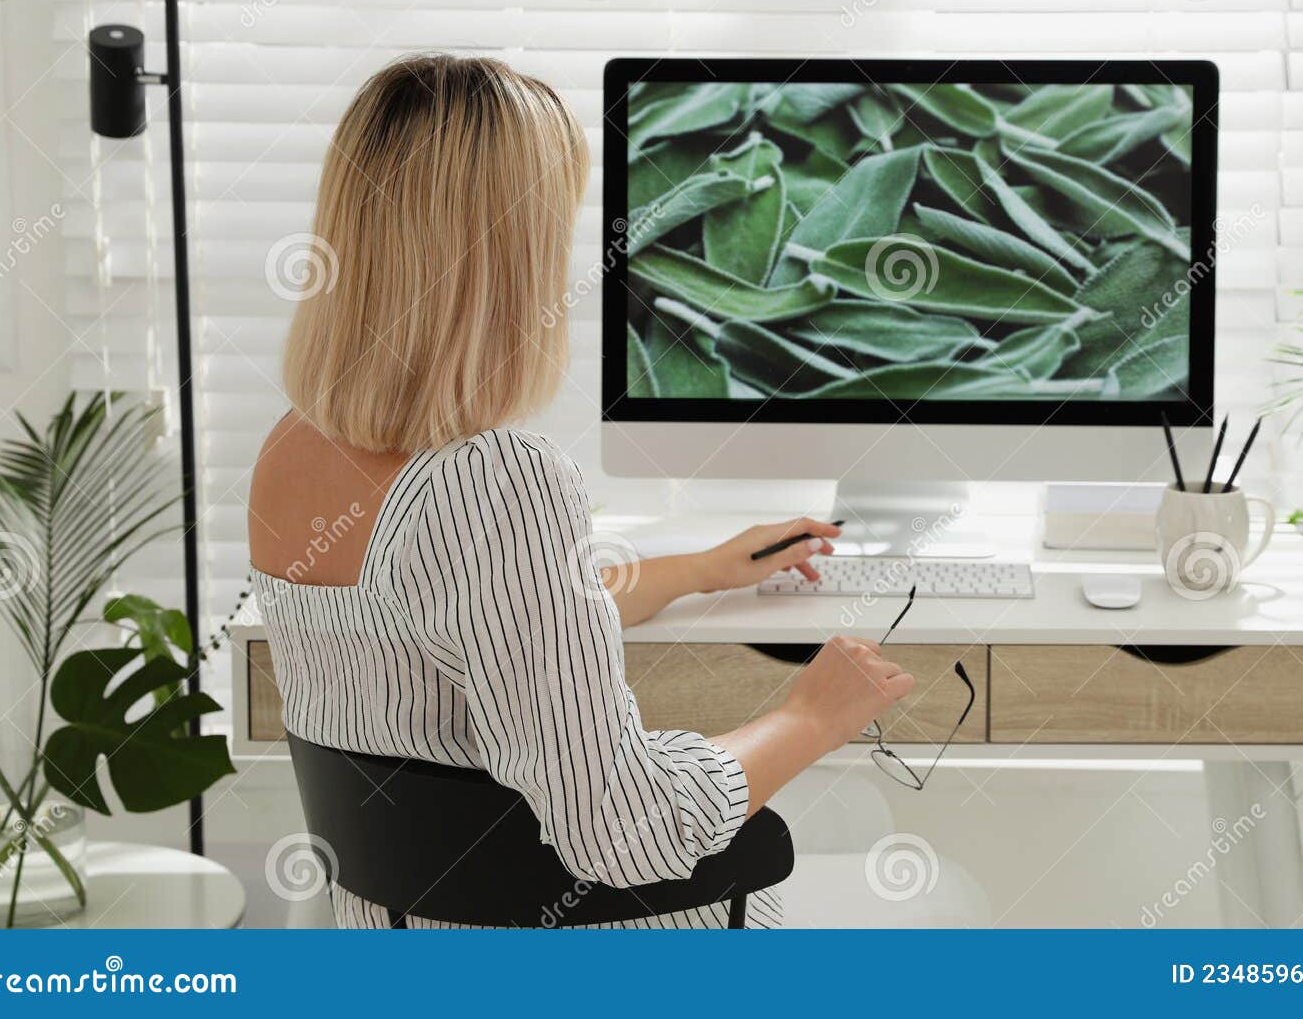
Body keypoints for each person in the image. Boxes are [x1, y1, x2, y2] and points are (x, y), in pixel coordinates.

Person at [248, 53, 915, 928]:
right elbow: (621, 832)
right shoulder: (494, 478)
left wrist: (695, 571)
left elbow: (458, 621)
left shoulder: (292, 450)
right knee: (908, 870)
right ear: (507, 257)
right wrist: (811, 715)